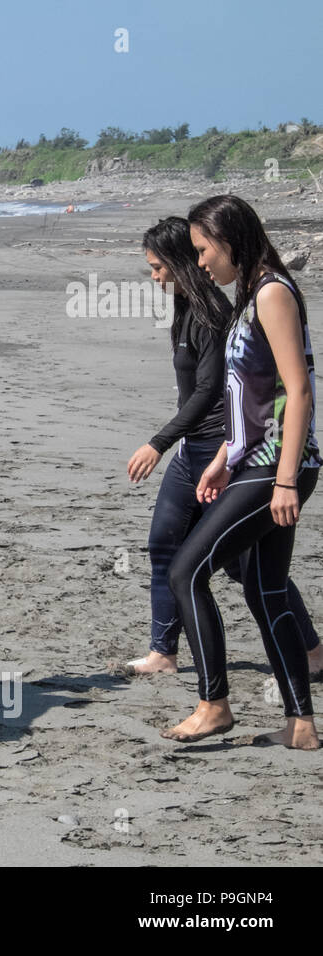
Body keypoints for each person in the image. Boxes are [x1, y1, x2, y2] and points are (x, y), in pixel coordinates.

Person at [124, 217, 322, 677]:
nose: (154, 277)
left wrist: (160, 442)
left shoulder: (219, 310)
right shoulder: (193, 307)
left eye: (159, 267)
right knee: (166, 548)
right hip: (203, 452)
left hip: (230, 452)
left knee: (240, 567)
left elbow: (214, 391)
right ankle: (163, 653)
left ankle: (305, 654)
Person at [164, 195, 322, 748]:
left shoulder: (273, 292)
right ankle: (300, 724)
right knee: (266, 590)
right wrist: (220, 458)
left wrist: (283, 478)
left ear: (230, 240)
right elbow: (249, 399)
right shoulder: (251, 294)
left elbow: (297, 390)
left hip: (275, 467)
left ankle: (213, 704)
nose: (201, 262)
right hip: (255, 463)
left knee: (186, 571)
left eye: (204, 250)